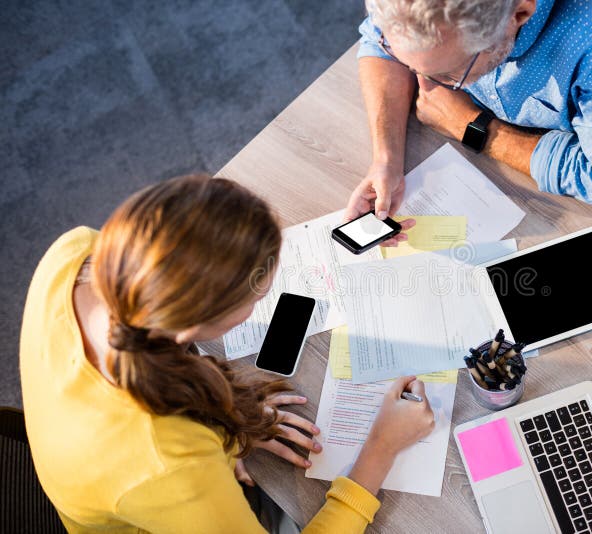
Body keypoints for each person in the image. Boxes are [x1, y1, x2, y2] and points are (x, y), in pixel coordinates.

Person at [19, 174, 435, 533]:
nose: (260, 302)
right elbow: (168, 463)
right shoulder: (169, 463)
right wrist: (380, 448)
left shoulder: (73, 253)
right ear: (186, 328)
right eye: (257, 296)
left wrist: (226, 431)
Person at [345, 0, 592, 228]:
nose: (425, 82)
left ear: (520, 13)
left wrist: (469, 126)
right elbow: (378, 44)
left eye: (450, 74)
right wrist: (386, 159)